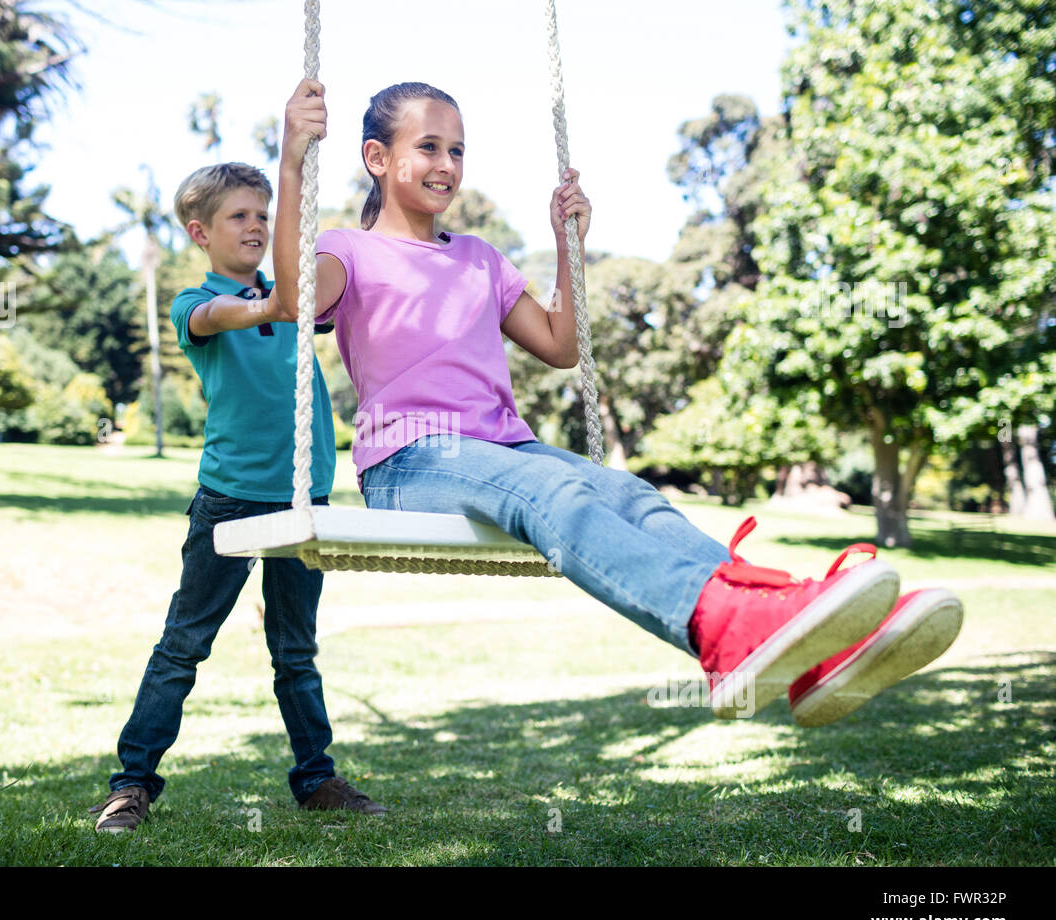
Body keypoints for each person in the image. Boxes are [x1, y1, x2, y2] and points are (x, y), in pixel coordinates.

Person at [270, 79, 962, 725]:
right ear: (376, 158)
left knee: (635, 498)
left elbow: (560, 344)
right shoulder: (349, 250)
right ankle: (724, 627)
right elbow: (295, 298)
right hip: (412, 461)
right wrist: (293, 162)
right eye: (428, 147)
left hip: (505, 451)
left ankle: (800, 631)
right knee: (555, 491)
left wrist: (571, 247)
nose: (447, 163)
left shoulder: (480, 259)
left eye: (456, 149)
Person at [91, 162, 385, 834]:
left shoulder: (297, 292)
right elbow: (223, 314)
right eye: (239, 216)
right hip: (230, 499)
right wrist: (272, 305)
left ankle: (316, 780)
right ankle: (131, 785)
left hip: (304, 500)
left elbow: (352, 273)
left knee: (296, 650)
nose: (255, 226)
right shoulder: (195, 304)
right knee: (184, 645)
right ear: (201, 232)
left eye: (263, 214)